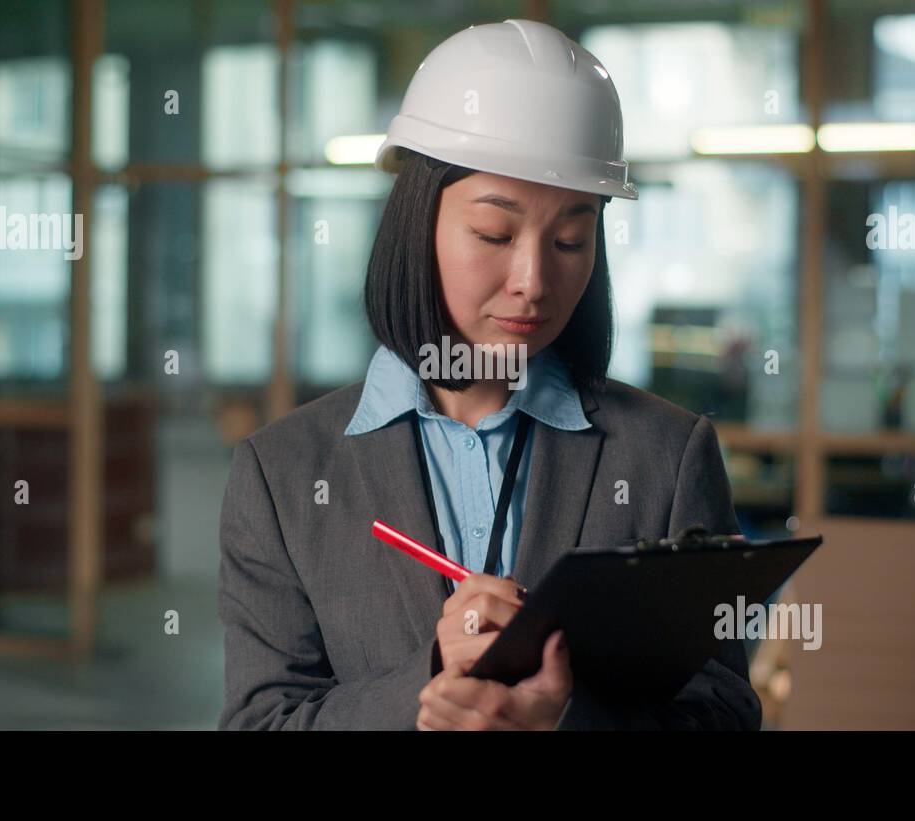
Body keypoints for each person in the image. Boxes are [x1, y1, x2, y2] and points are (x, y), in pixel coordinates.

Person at [218, 18, 761, 731]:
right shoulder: (282, 475)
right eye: (495, 235)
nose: (534, 280)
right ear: (418, 225)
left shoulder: (665, 455)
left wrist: (565, 716)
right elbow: (261, 722)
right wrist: (429, 692)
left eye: (571, 237)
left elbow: (722, 712)